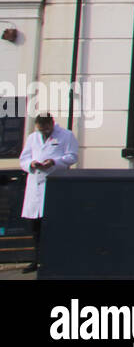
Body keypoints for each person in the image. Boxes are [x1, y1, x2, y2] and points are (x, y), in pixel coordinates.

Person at [18, 112, 78, 274]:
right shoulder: (32, 137)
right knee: (35, 227)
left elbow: (72, 157)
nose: (43, 133)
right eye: (40, 130)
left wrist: (54, 162)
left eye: (46, 129)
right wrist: (32, 164)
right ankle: (37, 260)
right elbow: (23, 159)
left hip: (54, 184)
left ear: (52, 123)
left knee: (53, 226)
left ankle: (56, 259)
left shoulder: (66, 135)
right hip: (35, 185)